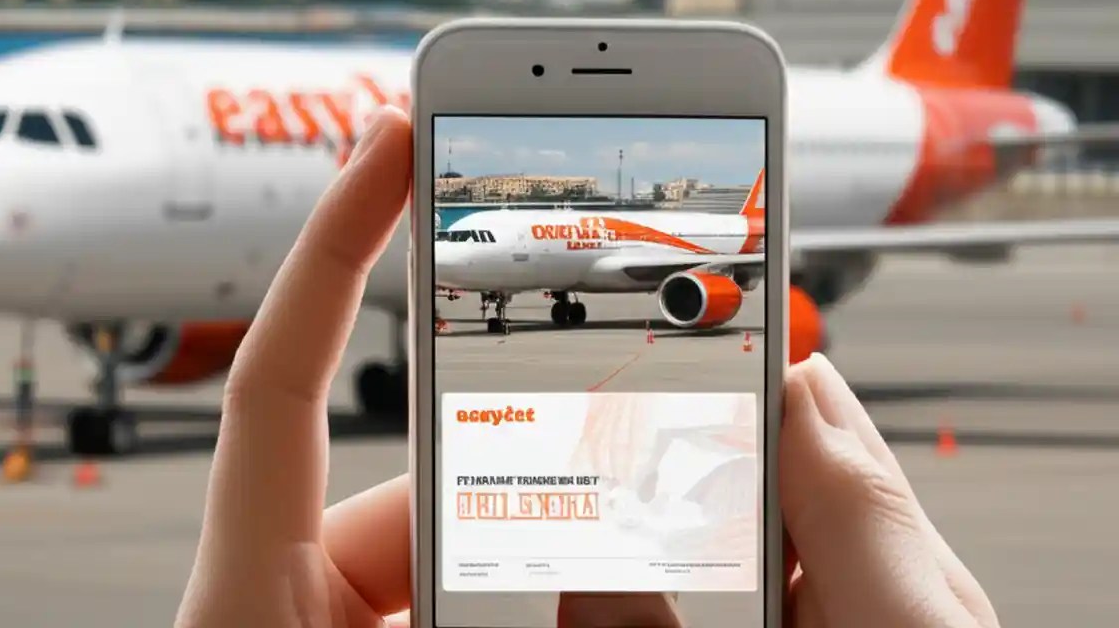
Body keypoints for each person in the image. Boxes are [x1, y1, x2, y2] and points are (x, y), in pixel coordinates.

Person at [174, 108, 1000, 628]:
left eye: (466, 245)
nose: (455, 261)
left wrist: (701, 298)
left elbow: (731, 287)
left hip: (685, 265)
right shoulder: (509, 260)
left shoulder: (638, 248)